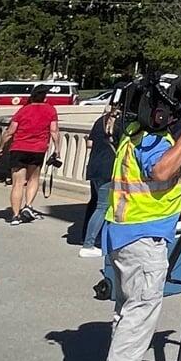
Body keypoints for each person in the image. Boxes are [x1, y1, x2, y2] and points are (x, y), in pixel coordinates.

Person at [87, 71, 181, 361]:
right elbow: (160, 171)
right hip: (142, 236)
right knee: (139, 314)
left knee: (127, 311)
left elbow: (164, 168)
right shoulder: (155, 140)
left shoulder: (134, 132)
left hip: (124, 231)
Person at [5, 84, 57, 225]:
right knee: (34, 179)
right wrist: (57, 149)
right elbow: (54, 131)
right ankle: (28, 206)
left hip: (19, 148)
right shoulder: (50, 110)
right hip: (38, 149)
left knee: (17, 183)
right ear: (45, 97)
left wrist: (0, 146)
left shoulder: (23, 110)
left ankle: (15, 216)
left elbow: (11, 131)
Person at [79, 98, 121, 257]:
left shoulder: (100, 121)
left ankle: (89, 237)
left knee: (96, 202)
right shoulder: (119, 125)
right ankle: (88, 243)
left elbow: (89, 143)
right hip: (108, 168)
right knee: (103, 207)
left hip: (95, 166)